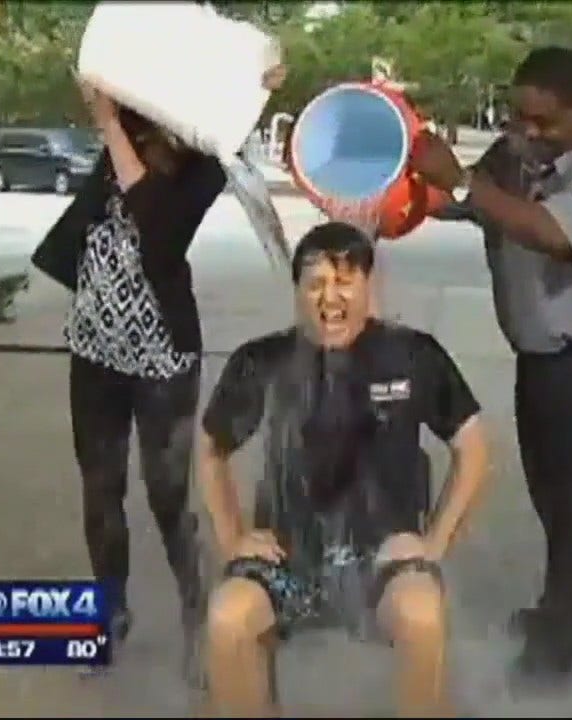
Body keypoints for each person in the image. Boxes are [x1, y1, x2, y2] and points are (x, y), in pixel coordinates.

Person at [31, 66, 287, 683]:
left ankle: (199, 620)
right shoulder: (126, 135)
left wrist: (257, 89)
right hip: (94, 351)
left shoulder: (198, 163)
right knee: (100, 493)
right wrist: (110, 108)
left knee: (169, 496)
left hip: (161, 358)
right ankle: (108, 614)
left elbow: (153, 221)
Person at [410, 46, 572, 683]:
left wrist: (465, 182)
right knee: (555, 498)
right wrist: (400, 191)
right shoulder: (517, 150)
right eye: (519, 117)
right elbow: (464, 201)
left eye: (545, 121)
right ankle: (566, 613)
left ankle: (560, 647)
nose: (528, 133)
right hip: (543, 358)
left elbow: (550, 233)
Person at [196, 222, 490, 716]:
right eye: (315, 284)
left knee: (420, 613)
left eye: (344, 282)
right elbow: (209, 448)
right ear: (297, 293)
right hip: (292, 560)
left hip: (382, 560)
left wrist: (435, 543)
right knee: (228, 617)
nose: (329, 297)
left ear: (367, 287)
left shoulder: (413, 355)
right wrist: (232, 540)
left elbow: (475, 448)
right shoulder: (261, 362)